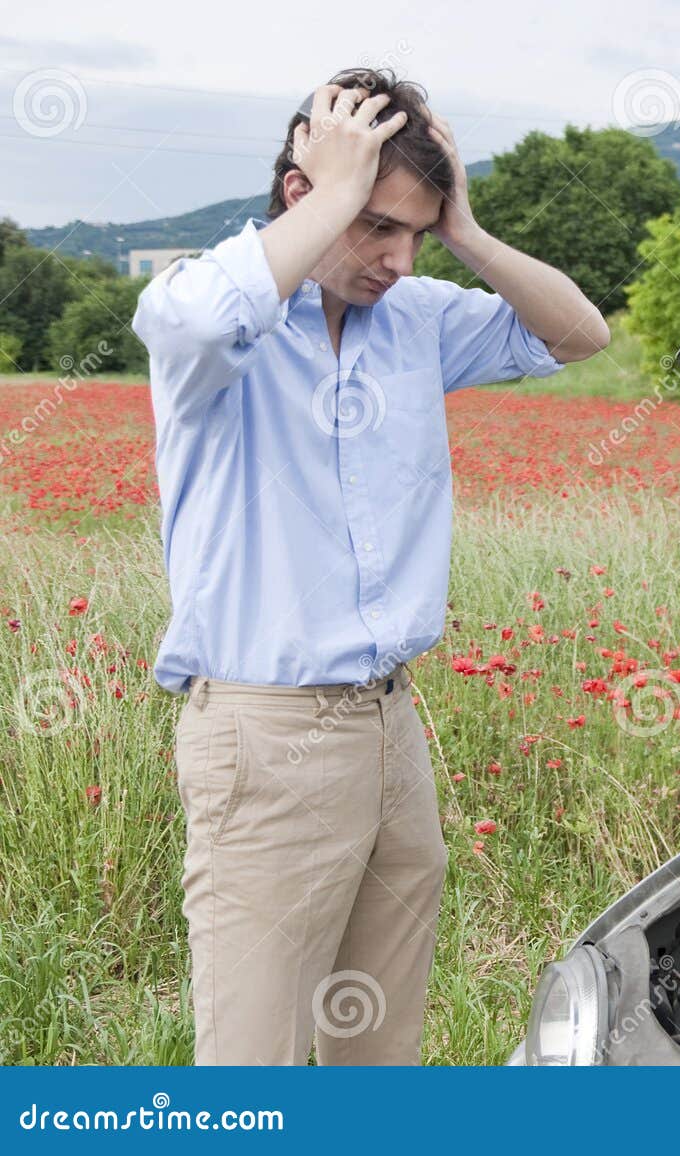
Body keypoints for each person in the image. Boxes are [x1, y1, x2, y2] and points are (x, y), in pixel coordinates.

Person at [131, 67, 609, 1065]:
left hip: (390, 723)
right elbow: (193, 323)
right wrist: (339, 191)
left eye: (415, 234)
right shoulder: (216, 316)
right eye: (376, 225)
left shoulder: (418, 319)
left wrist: (466, 233)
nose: (396, 257)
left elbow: (578, 334)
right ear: (308, 191)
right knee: (252, 1058)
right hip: (267, 729)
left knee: (377, 1041)